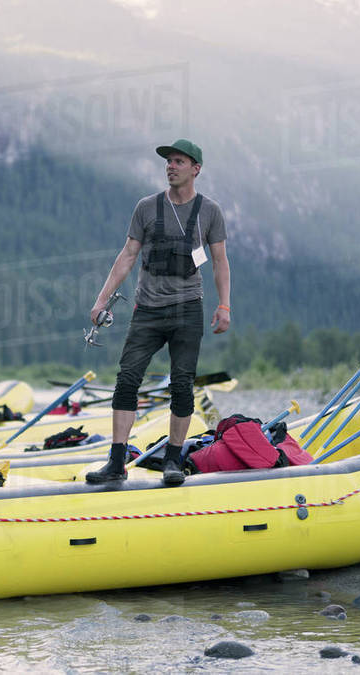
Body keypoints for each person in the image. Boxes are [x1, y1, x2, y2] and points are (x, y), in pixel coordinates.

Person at [86, 139, 231, 486]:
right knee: (126, 380)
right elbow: (127, 255)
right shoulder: (146, 208)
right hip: (147, 310)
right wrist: (101, 299)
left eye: (179, 161)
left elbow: (221, 261)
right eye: (168, 162)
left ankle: (173, 461)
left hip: (187, 311)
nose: (170, 166)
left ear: (196, 168)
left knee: (182, 385)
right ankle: (116, 462)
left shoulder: (210, 211)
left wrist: (224, 304)